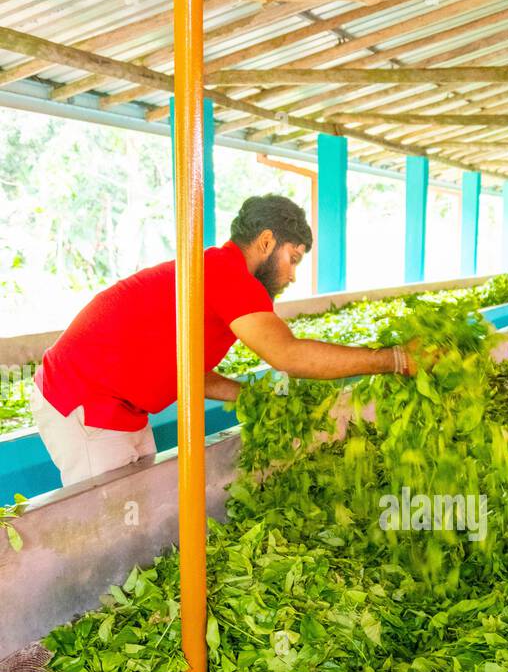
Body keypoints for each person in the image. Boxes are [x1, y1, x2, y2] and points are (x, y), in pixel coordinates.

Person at [31, 193, 413, 487]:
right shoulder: (226, 275)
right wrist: (394, 360)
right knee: (111, 519)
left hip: (123, 406)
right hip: (82, 400)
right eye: (293, 258)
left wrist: (249, 397)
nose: (293, 275)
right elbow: (287, 354)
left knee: (138, 503)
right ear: (266, 241)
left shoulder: (218, 273)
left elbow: (188, 370)